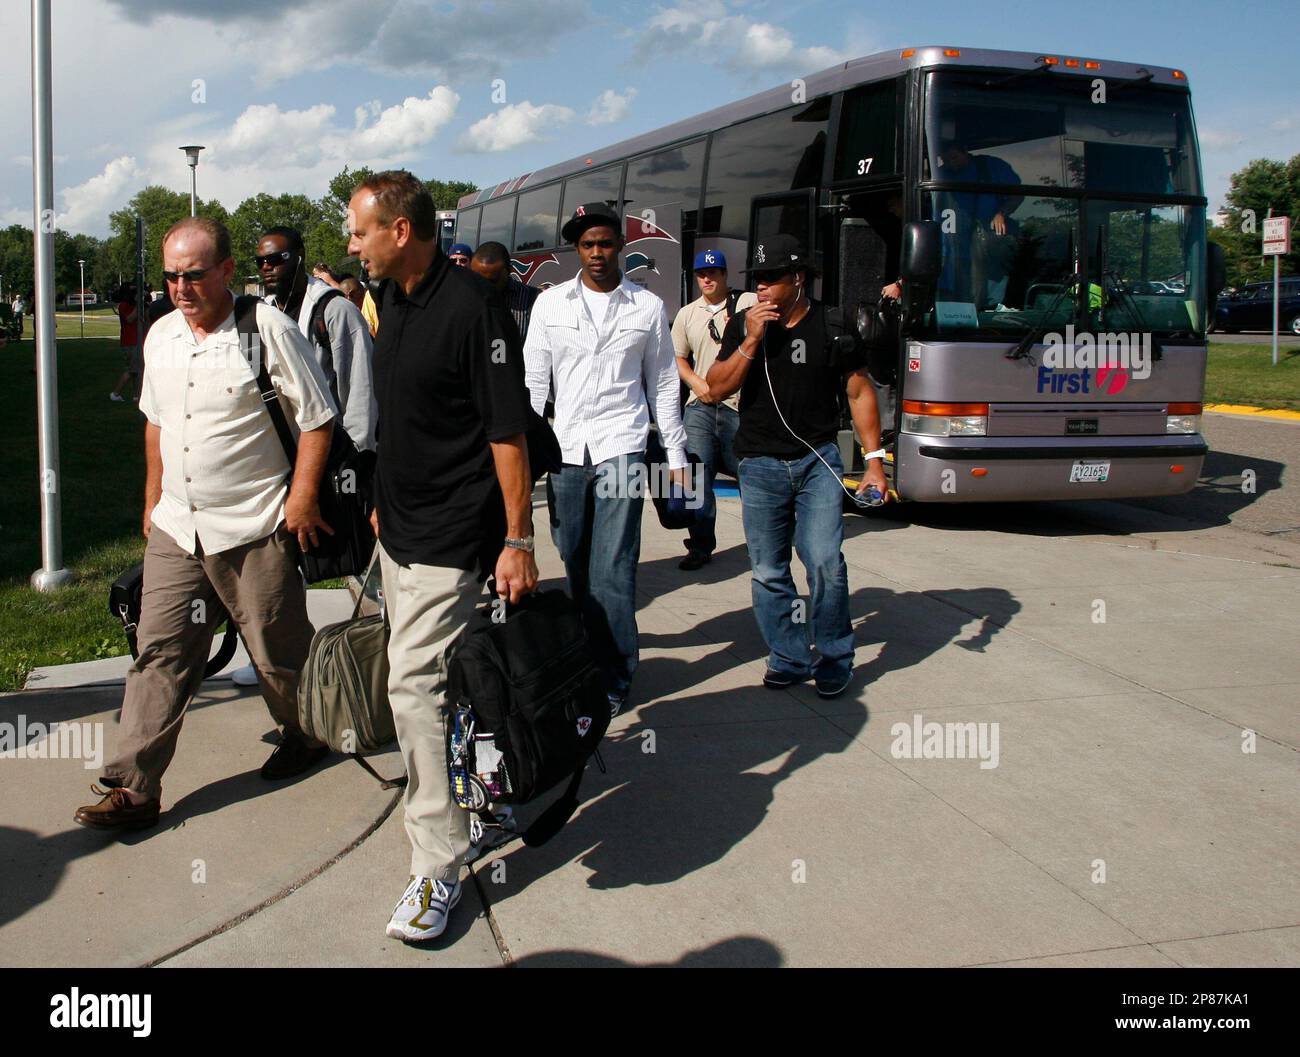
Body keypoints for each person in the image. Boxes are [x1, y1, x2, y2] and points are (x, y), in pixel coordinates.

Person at [74, 216, 339, 832]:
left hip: (253, 527)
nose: (180, 288)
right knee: (158, 650)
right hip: (177, 526)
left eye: (193, 275)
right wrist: (150, 501)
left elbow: (319, 418)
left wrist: (301, 500)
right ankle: (134, 785)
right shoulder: (162, 335)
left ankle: (307, 733)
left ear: (225, 270)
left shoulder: (264, 329)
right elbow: (156, 425)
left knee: (277, 651)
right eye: (170, 276)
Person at [346, 170, 537, 943]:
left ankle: (440, 862)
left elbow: (505, 431)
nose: (351, 245)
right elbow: (410, 412)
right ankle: (479, 793)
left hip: (453, 537)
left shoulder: (473, 306)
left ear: (400, 230)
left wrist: (518, 539)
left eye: (360, 230)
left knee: (413, 688)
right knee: (439, 686)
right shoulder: (391, 298)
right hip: (400, 530)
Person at [523, 201, 688, 716]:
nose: (597, 253)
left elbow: (662, 383)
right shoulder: (550, 307)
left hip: (622, 447)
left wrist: (676, 452)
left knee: (613, 567)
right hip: (567, 450)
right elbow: (533, 382)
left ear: (621, 246)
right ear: (577, 250)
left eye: (606, 243)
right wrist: (525, 453)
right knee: (573, 560)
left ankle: (614, 675)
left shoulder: (645, 307)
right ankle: (579, 663)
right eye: (588, 245)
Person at [706, 233, 887, 699]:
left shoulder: (832, 324)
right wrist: (750, 339)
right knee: (768, 569)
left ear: (799, 279)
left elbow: (859, 392)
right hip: (760, 464)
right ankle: (787, 655)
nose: (761, 288)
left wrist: (874, 463)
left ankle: (834, 655)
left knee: (824, 561)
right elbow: (715, 388)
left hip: (817, 461)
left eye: (772, 279)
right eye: (757, 280)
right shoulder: (743, 323)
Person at [671, 249, 756, 571]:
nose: (707, 279)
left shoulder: (746, 302)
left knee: (752, 476)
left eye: (714, 273)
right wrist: (695, 383)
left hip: (739, 406)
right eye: (701, 274)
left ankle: (762, 543)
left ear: (724, 275)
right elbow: (677, 357)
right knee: (696, 478)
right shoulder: (687, 314)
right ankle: (700, 546)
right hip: (700, 407)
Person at [257, 226, 376, 452]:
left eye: (275, 259)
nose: (266, 267)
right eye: (260, 261)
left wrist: (357, 460)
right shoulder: (259, 316)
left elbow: (361, 391)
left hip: (333, 454)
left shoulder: (337, 311)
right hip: (281, 455)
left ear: (300, 256)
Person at [471, 240, 539, 341]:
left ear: (509, 271)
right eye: (477, 279)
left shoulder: (533, 299)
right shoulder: (463, 298)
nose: (483, 286)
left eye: (492, 281)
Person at [109, 285, 140, 402]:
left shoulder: (128, 305)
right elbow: (130, 318)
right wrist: (139, 304)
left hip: (133, 340)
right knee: (131, 370)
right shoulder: (124, 306)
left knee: (135, 371)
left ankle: (136, 395)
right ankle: (115, 393)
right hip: (130, 341)